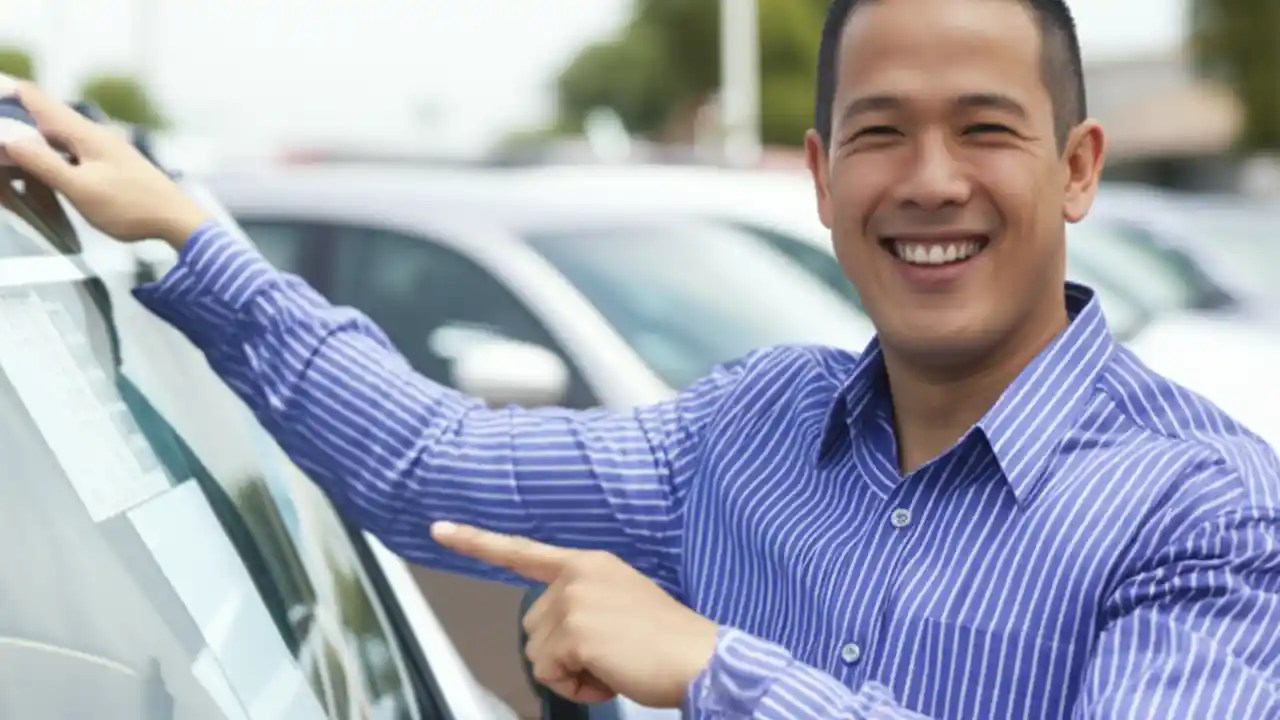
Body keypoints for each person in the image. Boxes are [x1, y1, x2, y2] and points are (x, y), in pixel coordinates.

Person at [6, 0, 1280, 716]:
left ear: (1075, 168)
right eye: (880, 133)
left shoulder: (1201, 507)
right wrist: (187, 235)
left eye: (985, 130)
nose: (929, 181)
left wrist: (715, 671)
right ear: (822, 178)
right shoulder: (749, 431)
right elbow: (426, 463)